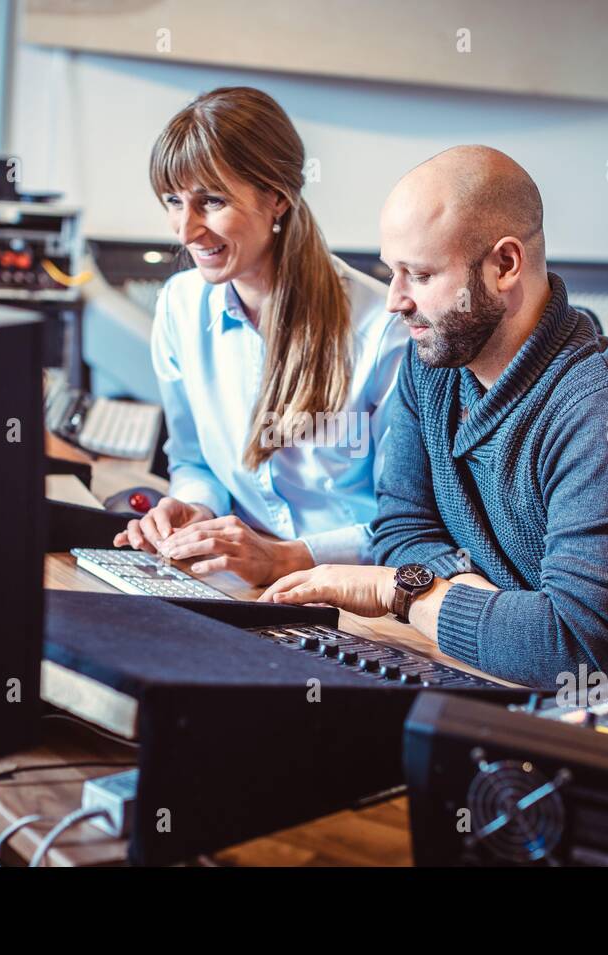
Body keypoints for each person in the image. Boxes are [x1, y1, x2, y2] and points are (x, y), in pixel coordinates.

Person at [261, 146, 608, 704]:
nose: (395, 301)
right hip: (521, 692)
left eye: (421, 274)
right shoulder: (433, 365)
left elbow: (575, 652)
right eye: (393, 273)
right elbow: (399, 530)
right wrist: (493, 613)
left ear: (505, 266)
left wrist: (401, 592)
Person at [114, 87, 407, 585]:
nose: (185, 231)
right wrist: (194, 508)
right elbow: (192, 460)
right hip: (239, 582)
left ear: (277, 198)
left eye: (211, 201)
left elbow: (410, 528)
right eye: (172, 201)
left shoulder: (383, 331)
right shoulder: (180, 308)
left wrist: (285, 558)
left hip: (354, 594)